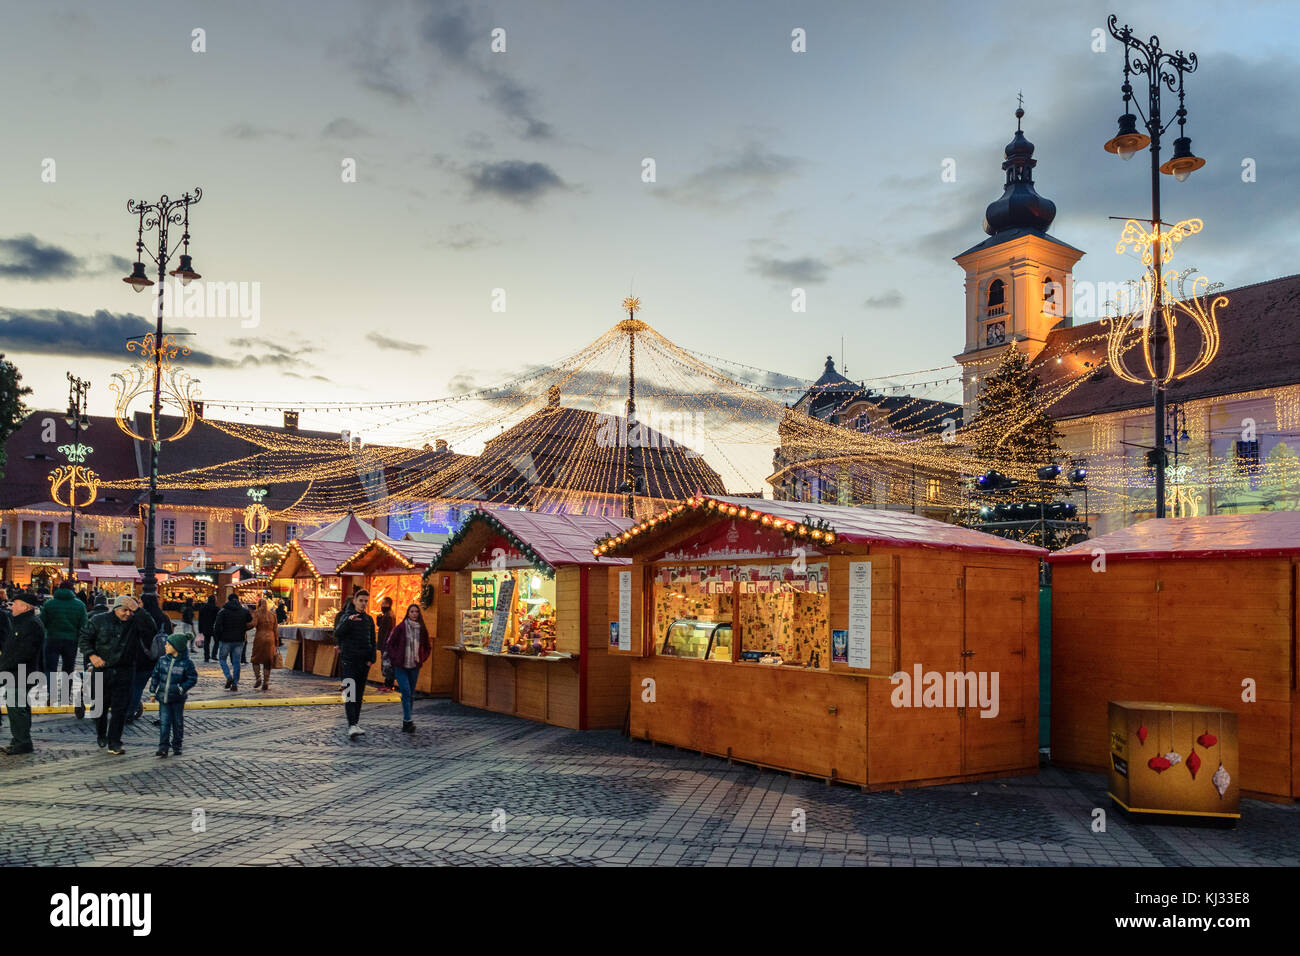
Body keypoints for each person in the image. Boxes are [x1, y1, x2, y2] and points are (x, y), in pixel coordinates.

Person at [79, 595, 144, 755]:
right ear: (115, 608)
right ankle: (101, 733)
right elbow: (84, 638)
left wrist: (139, 610)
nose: (127, 614)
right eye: (124, 610)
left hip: (125, 670)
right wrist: (92, 656)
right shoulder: (99, 620)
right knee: (99, 707)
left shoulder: (135, 622)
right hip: (102, 669)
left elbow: (152, 628)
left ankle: (115, 742)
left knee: (119, 709)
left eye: (131, 611)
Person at [0, 591, 46, 755]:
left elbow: (23, 653)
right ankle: (18, 739)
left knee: (17, 707)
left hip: (21, 673)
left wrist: (4, 666)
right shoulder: (22, 622)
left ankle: (23, 742)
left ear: (25, 607)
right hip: (17, 672)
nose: (11, 606)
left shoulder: (31, 624)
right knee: (17, 707)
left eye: (15, 604)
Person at [333, 588, 375, 738]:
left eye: (366, 601)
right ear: (355, 601)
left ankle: (355, 723)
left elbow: (372, 640)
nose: (363, 604)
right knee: (350, 694)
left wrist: (371, 659)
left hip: (363, 663)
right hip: (349, 662)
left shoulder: (369, 619)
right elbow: (338, 632)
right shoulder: (346, 617)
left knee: (359, 694)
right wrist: (349, 622)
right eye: (361, 601)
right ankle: (351, 724)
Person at [148, 632, 198, 757]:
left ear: (177, 648)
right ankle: (163, 747)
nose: (165, 646)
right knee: (164, 723)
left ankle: (177, 745)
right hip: (163, 698)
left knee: (177, 722)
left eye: (168, 645)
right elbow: (155, 675)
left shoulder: (186, 663)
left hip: (177, 698)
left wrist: (181, 689)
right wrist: (153, 691)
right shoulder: (162, 661)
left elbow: (192, 678)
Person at [384, 603, 430, 734]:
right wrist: (395, 658)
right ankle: (408, 720)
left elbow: (427, 647)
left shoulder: (422, 629)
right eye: (412, 612)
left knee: (410, 694)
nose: (414, 614)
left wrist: (422, 657)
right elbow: (390, 644)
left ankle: (406, 721)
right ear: (408, 613)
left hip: (414, 666)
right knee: (406, 691)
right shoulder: (401, 628)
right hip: (401, 665)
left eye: (416, 612)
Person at [127, 594, 172, 723]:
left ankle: (130, 712)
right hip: (162, 658)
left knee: (137, 686)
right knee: (163, 688)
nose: (139, 604)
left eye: (140, 602)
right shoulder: (164, 617)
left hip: (143, 658)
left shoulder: (139, 618)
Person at [40, 581, 86, 707]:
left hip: (52, 639)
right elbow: (84, 625)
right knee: (68, 669)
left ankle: (52, 695)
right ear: (72, 590)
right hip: (71, 641)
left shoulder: (49, 604)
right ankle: (65, 696)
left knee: (50, 669)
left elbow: (42, 622)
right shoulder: (80, 605)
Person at [213, 592, 251, 691]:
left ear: (228, 600)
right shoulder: (244, 611)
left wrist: (218, 638)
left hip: (225, 640)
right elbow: (250, 621)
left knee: (222, 659)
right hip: (239, 640)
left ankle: (228, 676)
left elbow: (217, 627)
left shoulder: (223, 611)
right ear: (238, 600)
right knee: (236, 662)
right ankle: (235, 684)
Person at [249, 597, 278, 691]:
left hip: (260, 637)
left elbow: (253, 624)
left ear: (259, 605)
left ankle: (258, 678)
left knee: (255, 659)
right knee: (268, 661)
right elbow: (275, 630)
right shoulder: (273, 615)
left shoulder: (257, 613)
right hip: (271, 638)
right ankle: (266, 681)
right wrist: (277, 642)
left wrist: (244, 627)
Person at [376, 596, 396, 691]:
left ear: (388, 604)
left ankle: (388, 684)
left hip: (387, 644)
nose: (381, 605)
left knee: (387, 664)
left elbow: (385, 631)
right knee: (386, 664)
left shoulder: (388, 616)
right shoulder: (387, 615)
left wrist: (383, 645)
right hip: (387, 643)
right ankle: (387, 683)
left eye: (383, 603)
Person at [198, 594, 218, 663]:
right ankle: (214, 655)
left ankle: (206, 657)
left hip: (205, 627)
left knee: (206, 642)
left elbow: (200, 619)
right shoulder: (216, 608)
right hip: (214, 627)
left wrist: (200, 629)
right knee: (217, 641)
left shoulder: (203, 608)